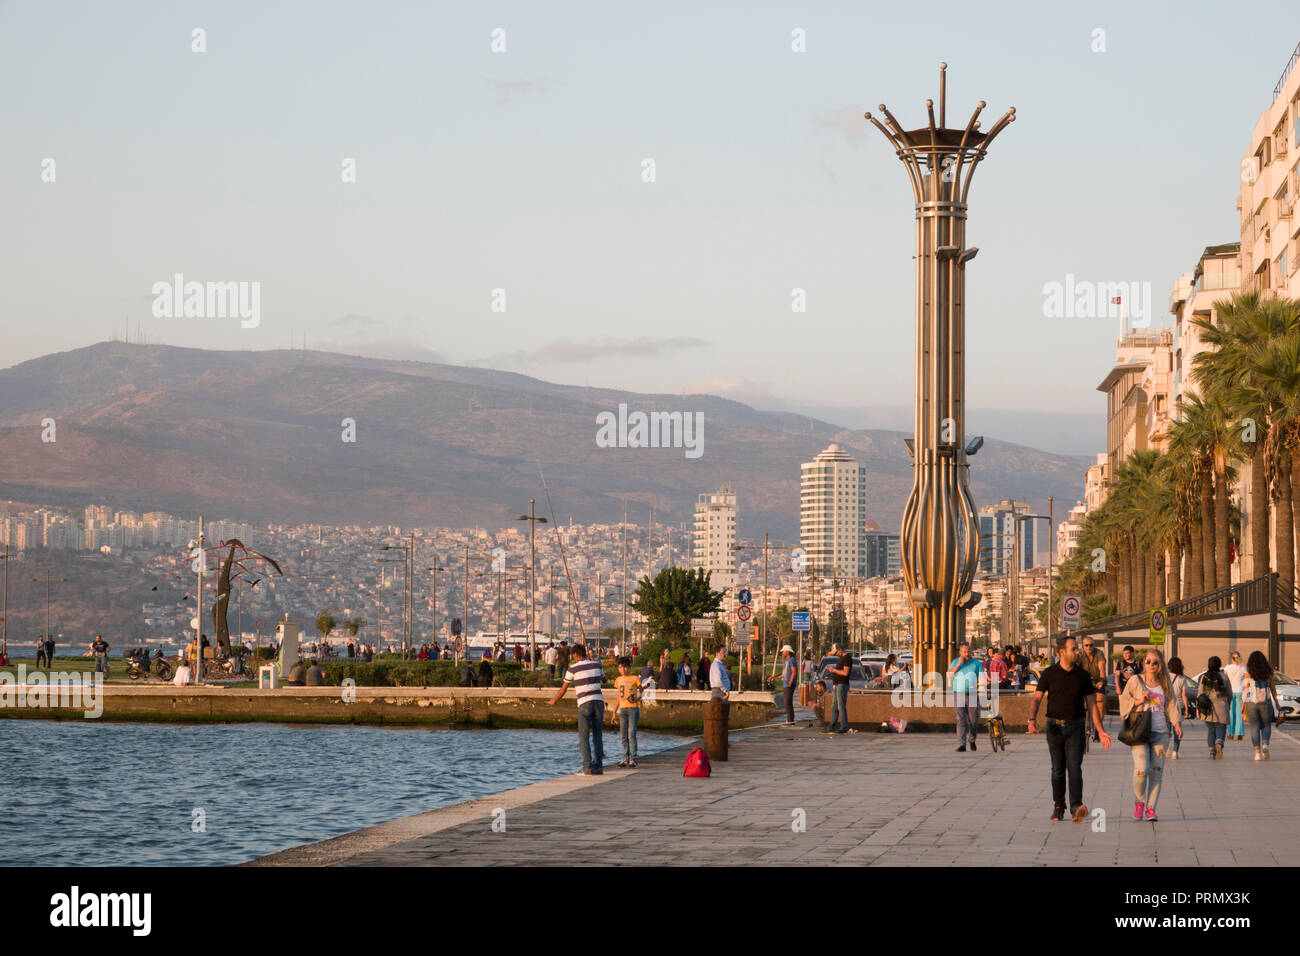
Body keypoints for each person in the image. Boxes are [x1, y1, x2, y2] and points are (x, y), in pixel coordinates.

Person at [1028, 635, 1112, 822]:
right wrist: (1032, 719)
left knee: (1074, 767)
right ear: (1061, 652)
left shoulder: (1083, 676)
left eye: (1077, 648)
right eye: (1074, 649)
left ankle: (1076, 806)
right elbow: (1037, 697)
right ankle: (1059, 806)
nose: (1078, 651)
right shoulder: (1049, 673)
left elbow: (1091, 705)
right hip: (1054, 728)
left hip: (1076, 727)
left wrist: (1100, 730)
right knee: (1057, 769)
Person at [1119, 649, 1181, 822]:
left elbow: (1172, 703)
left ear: (1160, 664)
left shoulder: (1165, 682)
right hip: (1139, 732)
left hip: (1161, 733)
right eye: (1148, 661)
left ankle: (1151, 808)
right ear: (1143, 663)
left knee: (1156, 772)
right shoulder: (1135, 680)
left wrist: (1176, 723)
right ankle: (1139, 802)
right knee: (1141, 769)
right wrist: (1138, 701)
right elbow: (1123, 701)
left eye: (1155, 662)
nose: (1151, 665)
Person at [549, 644, 605, 774]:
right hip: (599, 702)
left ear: (575, 655)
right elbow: (604, 679)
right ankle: (599, 766)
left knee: (584, 736)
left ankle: (587, 766)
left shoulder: (572, 669)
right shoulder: (597, 665)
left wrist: (554, 700)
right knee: (597, 735)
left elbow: (564, 689)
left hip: (584, 703)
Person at [1241, 650, 1281, 761]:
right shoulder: (1268, 673)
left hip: (1251, 703)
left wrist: (1242, 705)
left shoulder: (1248, 673)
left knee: (1254, 727)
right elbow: (1273, 689)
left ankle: (1257, 753)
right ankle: (1265, 745)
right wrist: (1277, 704)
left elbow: (1245, 689)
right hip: (1265, 702)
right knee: (1266, 725)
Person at [947, 643, 985, 752]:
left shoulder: (977, 663)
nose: (967, 654)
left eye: (968, 651)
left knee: (973, 719)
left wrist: (982, 688)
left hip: (972, 694)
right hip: (958, 693)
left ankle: (972, 740)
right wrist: (959, 664)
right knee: (960, 719)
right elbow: (949, 675)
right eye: (964, 652)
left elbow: (982, 677)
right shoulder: (955, 662)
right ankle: (961, 744)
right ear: (960, 652)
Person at [1199, 656, 1231, 759]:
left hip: (1207, 708)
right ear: (1219, 665)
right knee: (1221, 728)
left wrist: (1198, 709)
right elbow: (1230, 693)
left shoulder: (1204, 677)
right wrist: (1228, 704)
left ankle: (1212, 752)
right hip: (1221, 706)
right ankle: (1219, 743)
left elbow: (1200, 693)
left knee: (1211, 730)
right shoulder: (1224, 677)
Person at [612, 656, 641, 768]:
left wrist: (636, 698)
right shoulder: (618, 680)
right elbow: (619, 696)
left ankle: (633, 758)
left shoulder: (635, 678)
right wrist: (614, 711)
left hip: (633, 709)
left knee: (631, 734)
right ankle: (625, 758)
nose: (623, 670)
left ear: (629, 667)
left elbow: (641, 692)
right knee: (623, 735)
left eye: (625, 667)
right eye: (620, 667)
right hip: (622, 710)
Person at [1078, 637, 1106, 739]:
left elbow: (1101, 667)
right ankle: (1080, 726)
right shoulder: (1080, 654)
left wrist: (1101, 680)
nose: (1089, 647)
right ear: (1083, 646)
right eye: (1086, 645)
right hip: (1083, 681)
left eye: (1091, 645)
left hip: (1098, 680)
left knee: (1100, 703)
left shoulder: (1099, 653)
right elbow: (1075, 667)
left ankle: (1098, 729)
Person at [1167, 656, 1194, 759]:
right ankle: (1175, 752)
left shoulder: (1165, 677)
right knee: (1177, 730)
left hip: (1167, 706)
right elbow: (1184, 696)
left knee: (1166, 730)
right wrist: (1186, 709)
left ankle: (1167, 748)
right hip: (1178, 706)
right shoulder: (1182, 678)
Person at [824, 642, 852, 735]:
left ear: (840, 650)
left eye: (836, 653)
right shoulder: (841, 658)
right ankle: (831, 726)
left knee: (841, 706)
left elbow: (845, 673)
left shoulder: (847, 658)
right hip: (837, 685)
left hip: (842, 685)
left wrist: (834, 670)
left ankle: (843, 726)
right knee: (834, 706)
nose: (835, 655)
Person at [1224, 651, 1247, 740]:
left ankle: (1230, 733)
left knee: (1230, 713)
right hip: (1240, 691)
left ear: (1231, 658)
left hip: (1230, 691)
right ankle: (1239, 733)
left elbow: (1226, 679)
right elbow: (1246, 681)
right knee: (1239, 712)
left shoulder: (1227, 667)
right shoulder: (1243, 668)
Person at [778, 645, 797, 725]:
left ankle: (790, 720)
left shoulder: (791, 660)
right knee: (788, 702)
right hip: (786, 683)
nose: (782, 652)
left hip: (789, 684)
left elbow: (794, 671)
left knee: (787, 702)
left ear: (788, 652)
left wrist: (790, 681)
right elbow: (784, 673)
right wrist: (774, 677)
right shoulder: (787, 660)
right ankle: (790, 719)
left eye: (784, 651)